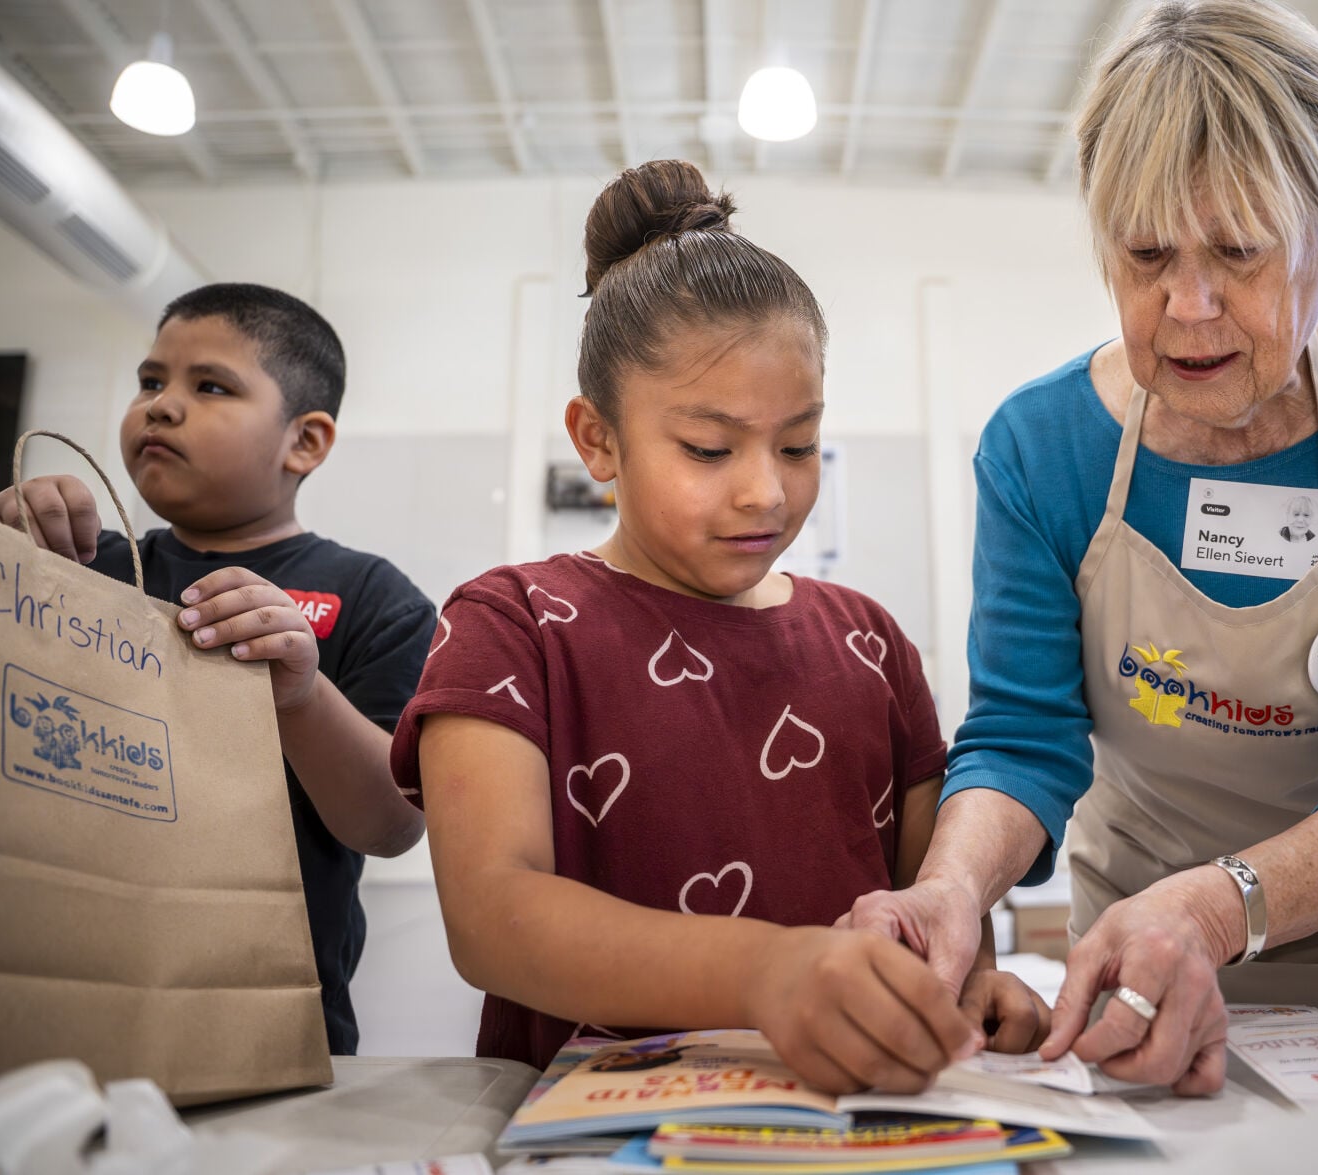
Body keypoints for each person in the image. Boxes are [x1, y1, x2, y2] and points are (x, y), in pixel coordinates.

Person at [846, 0, 1318, 1096]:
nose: (1188, 305)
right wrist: (947, 890)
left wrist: (1215, 904)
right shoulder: (1041, 446)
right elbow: (1023, 735)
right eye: (1145, 251)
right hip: (1136, 967)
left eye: (1241, 251)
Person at [388, 160, 1046, 1094]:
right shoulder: (513, 623)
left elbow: (926, 908)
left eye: (798, 444)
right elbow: (493, 917)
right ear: (597, 440)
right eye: (708, 448)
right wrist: (768, 971)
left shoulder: (870, 642)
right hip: (597, 1132)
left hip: (846, 1127)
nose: (765, 490)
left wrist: (967, 991)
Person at [0, 283, 435, 1054]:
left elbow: (390, 825)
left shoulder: (376, 598)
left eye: (211, 386)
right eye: (151, 381)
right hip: (37, 1000)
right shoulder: (80, 565)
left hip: (263, 1026)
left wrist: (299, 693)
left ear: (305, 442)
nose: (160, 405)